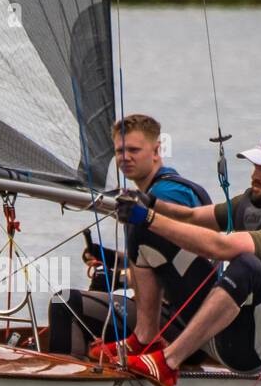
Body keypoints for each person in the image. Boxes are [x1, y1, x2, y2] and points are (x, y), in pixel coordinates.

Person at [113, 132, 261, 386]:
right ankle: (144, 339)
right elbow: (191, 216)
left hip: (251, 349)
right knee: (144, 232)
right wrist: (150, 203)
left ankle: (166, 363)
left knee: (247, 265)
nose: (255, 175)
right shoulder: (252, 203)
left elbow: (222, 247)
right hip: (224, 325)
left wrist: (148, 217)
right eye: (255, 167)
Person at [46, 114, 212, 358]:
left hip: (183, 325)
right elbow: (164, 260)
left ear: (156, 150)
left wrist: (120, 279)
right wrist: (113, 261)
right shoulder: (165, 190)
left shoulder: (168, 195)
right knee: (85, 309)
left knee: (66, 303)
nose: (125, 158)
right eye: (120, 151)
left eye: (134, 150)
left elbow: (172, 274)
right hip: (176, 317)